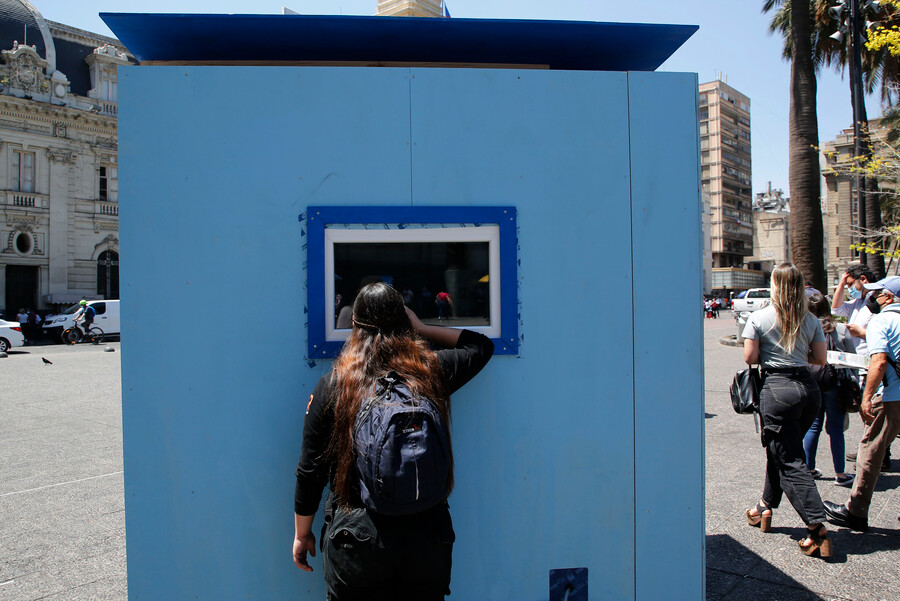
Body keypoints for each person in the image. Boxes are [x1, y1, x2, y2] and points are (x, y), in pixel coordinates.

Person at [293, 282, 493, 600]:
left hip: (358, 540)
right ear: (404, 323)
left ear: (355, 328)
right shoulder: (430, 373)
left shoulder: (336, 385)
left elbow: (310, 470)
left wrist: (302, 535)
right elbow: (480, 346)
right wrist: (422, 326)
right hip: (427, 539)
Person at [742, 263, 831, 557]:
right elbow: (819, 359)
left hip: (778, 389)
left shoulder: (759, 317)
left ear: (774, 285)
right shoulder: (810, 320)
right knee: (781, 451)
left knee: (789, 458)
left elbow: (750, 357)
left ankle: (816, 527)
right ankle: (764, 507)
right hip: (808, 390)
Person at [824, 276, 900, 532]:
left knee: (871, 448)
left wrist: (866, 398)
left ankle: (855, 511)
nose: (871, 297)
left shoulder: (882, 320)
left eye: (876, 293)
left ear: (887, 297)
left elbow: (878, 362)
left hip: (894, 397)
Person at [831, 265, 891, 469]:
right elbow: (837, 308)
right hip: (860, 365)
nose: (849, 289)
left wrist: (861, 332)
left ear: (863, 280)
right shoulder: (857, 303)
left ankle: (877, 456)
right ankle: (874, 452)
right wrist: (840, 283)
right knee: (869, 412)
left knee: (873, 410)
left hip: (874, 363)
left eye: (850, 284)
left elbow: (884, 333)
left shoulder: (877, 303)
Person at [803, 293, 856, 487]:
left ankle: (808, 468)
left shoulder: (805, 328)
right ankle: (840, 474)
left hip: (812, 382)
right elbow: (852, 357)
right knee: (836, 430)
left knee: (813, 425)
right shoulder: (840, 329)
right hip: (836, 383)